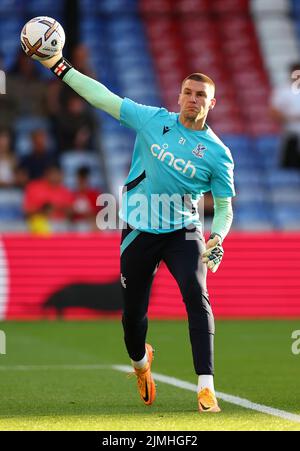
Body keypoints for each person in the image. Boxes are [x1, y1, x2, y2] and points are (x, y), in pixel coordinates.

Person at [33, 48, 235, 413]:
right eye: (188, 92)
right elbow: (102, 97)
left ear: (212, 102)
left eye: (201, 95)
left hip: (182, 231)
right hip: (138, 229)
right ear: (179, 97)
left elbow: (223, 207)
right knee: (133, 317)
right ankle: (142, 365)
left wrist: (217, 237)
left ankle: (207, 387)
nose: (193, 99)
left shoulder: (218, 154)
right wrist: (58, 66)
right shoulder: (152, 120)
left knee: (196, 294)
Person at [270, 62, 300, 168]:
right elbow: (273, 113)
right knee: (291, 167)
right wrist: (291, 117)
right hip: (292, 135)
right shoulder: (283, 91)